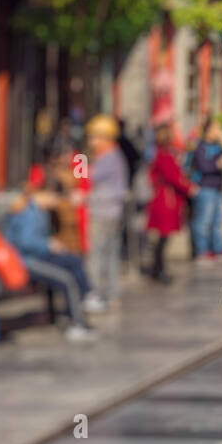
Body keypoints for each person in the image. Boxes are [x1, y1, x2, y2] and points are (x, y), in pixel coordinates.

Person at [4, 166, 96, 341]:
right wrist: (48, 244)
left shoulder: (38, 211)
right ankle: (77, 323)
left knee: (73, 261)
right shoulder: (29, 213)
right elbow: (26, 242)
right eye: (54, 196)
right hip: (25, 261)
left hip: (35, 256)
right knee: (65, 279)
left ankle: (87, 296)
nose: (56, 201)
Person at [84, 114, 129, 312]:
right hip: (112, 211)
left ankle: (95, 294)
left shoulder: (107, 157)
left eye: (93, 137)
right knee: (110, 255)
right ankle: (112, 295)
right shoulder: (114, 156)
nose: (90, 141)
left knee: (97, 256)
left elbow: (84, 176)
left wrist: (78, 158)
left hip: (102, 212)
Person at [145, 124, 194, 283]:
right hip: (166, 200)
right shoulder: (165, 155)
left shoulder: (160, 154)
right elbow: (173, 176)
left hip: (163, 198)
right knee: (163, 238)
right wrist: (189, 187)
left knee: (162, 238)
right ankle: (159, 269)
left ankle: (157, 268)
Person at [190, 117, 222, 261]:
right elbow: (204, 166)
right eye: (216, 129)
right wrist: (218, 163)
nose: (219, 132)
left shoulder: (218, 146)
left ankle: (218, 248)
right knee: (204, 221)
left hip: (217, 187)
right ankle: (202, 250)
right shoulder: (200, 146)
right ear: (208, 131)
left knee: (217, 221)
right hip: (205, 188)